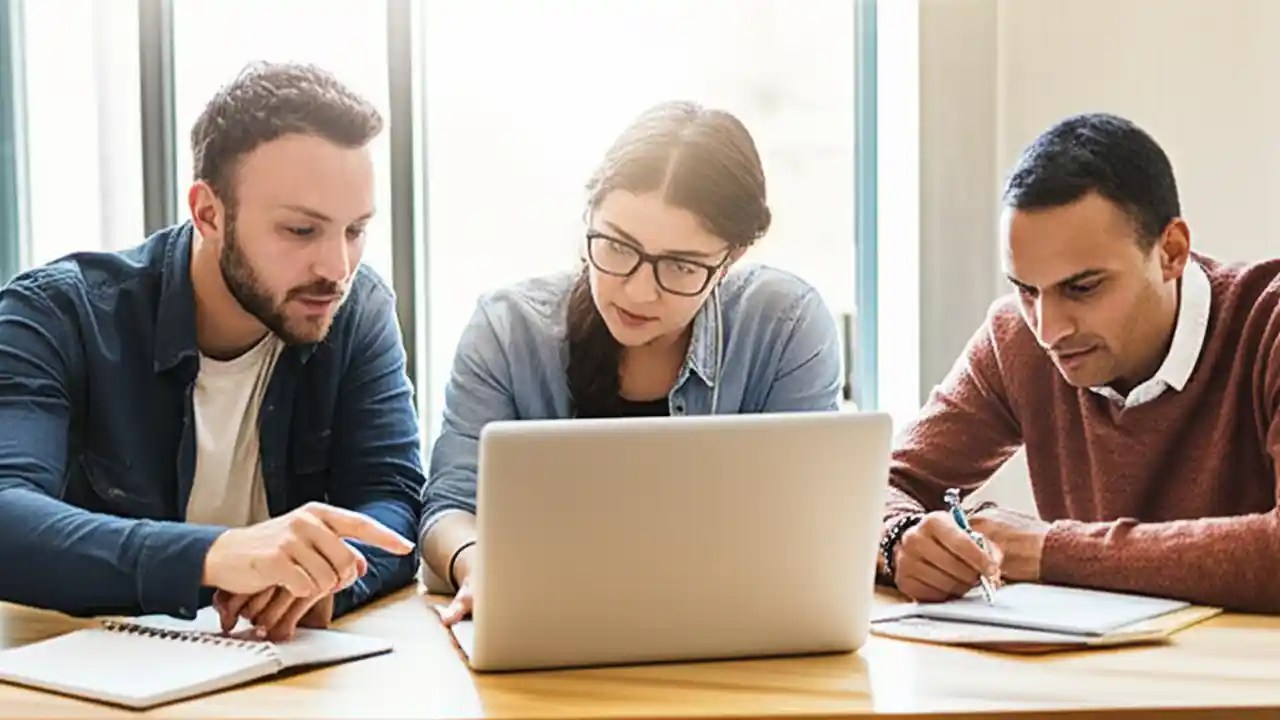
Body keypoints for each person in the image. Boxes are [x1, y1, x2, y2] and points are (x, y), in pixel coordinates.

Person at [0, 62, 423, 639]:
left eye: (354, 230)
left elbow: (390, 500)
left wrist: (326, 576)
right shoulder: (55, 316)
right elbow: (7, 517)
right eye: (301, 231)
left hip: (273, 671)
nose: (337, 268)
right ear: (208, 213)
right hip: (81, 676)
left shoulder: (357, 310)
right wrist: (219, 555)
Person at [422, 101, 844, 624]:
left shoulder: (785, 326)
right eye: (617, 246)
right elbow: (448, 507)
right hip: (546, 627)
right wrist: (476, 565)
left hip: (730, 634)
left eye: (682, 265)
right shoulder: (508, 331)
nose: (639, 291)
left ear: (730, 260)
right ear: (589, 217)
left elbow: (805, 525)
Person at [880, 111, 1280, 612]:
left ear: (1171, 252)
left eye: (1083, 288)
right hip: (1090, 683)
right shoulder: (1015, 341)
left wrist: (1051, 550)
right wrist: (899, 540)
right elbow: (881, 485)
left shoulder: (1269, 327)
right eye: (1026, 290)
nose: (1049, 331)